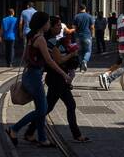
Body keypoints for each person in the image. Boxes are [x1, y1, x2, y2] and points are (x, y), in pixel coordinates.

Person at [6, 11, 72, 147]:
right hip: (34, 77)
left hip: (30, 74)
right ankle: (14, 129)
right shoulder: (41, 39)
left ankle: (42, 139)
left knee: (41, 108)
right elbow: (50, 61)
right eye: (48, 22)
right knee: (42, 110)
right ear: (43, 24)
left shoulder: (31, 37)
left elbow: (25, 57)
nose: (49, 24)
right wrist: (64, 74)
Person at [38, 14, 89, 143]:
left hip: (56, 78)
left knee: (48, 107)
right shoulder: (51, 41)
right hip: (57, 78)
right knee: (70, 104)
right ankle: (77, 135)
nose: (61, 27)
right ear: (52, 27)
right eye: (58, 25)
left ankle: (29, 129)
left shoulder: (54, 40)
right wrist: (72, 54)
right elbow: (58, 60)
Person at [73, 4, 95, 72]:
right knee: (88, 51)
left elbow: (74, 27)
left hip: (78, 37)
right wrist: (92, 35)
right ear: (85, 8)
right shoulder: (89, 16)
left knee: (80, 52)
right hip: (87, 36)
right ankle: (85, 61)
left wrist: (75, 35)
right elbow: (92, 27)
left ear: (79, 9)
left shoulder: (76, 16)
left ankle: (81, 66)